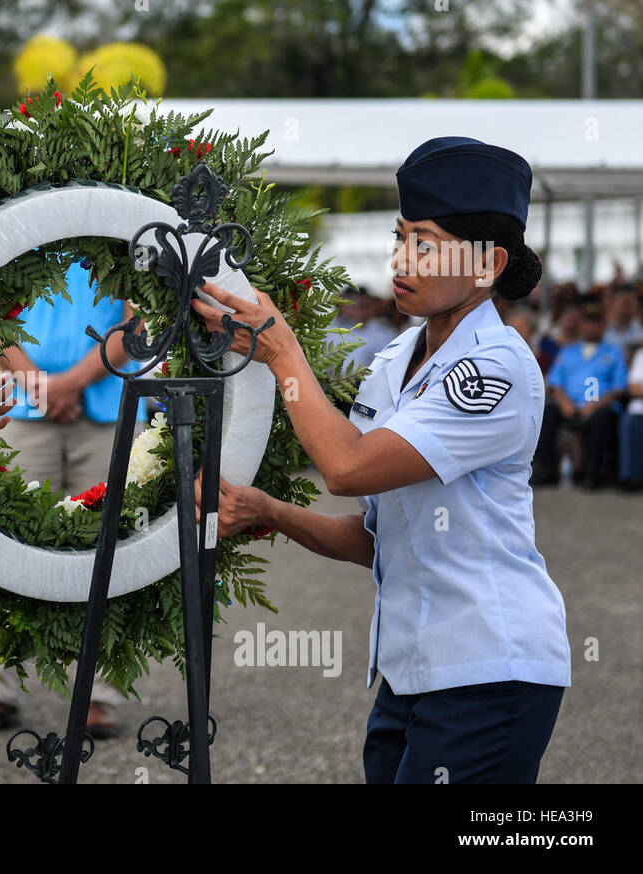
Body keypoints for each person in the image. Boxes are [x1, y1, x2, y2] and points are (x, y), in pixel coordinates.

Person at [194, 137, 571, 783]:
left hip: (489, 668)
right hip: (412, 668)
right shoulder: (397, 358)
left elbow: (348, 469)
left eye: (425, 243)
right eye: (400, 238)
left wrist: (285, 356)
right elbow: (376, 538)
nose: (402, 259)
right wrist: (269, 511)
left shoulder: (496, 368)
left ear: (489, 264)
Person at [0, 260, 137, 740]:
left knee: (106, 549)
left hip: (105, 408)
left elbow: (134, 319)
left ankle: (98, 693)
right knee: (3, 545)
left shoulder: (121, 216)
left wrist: (67, 385)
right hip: (22, 407)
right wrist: (38, 384)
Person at [534, 300, 629, 488]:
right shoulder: (567, 352)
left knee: (602, 419)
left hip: (601, 405)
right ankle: (546, 469)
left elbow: (619, 387)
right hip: (569, 404)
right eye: (588, 322)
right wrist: (564, 403)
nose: (591, 326)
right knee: (548, 413)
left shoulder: (614, 352)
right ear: (582, 325)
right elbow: (555, 382)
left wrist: (594, 404)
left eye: (596, 322)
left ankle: (593, 473)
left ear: (603, 325)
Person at [619, 346, 643, 491]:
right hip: (638, 409)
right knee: (628, 421)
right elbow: (633, 388)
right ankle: (630, 477)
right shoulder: (641, 354)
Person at [603, 283, 643, 353]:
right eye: (624, 303)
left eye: (630, 303)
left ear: (637, 305)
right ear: (613, 303)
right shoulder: (603, 332)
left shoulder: (640, 333)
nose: (627, 308)